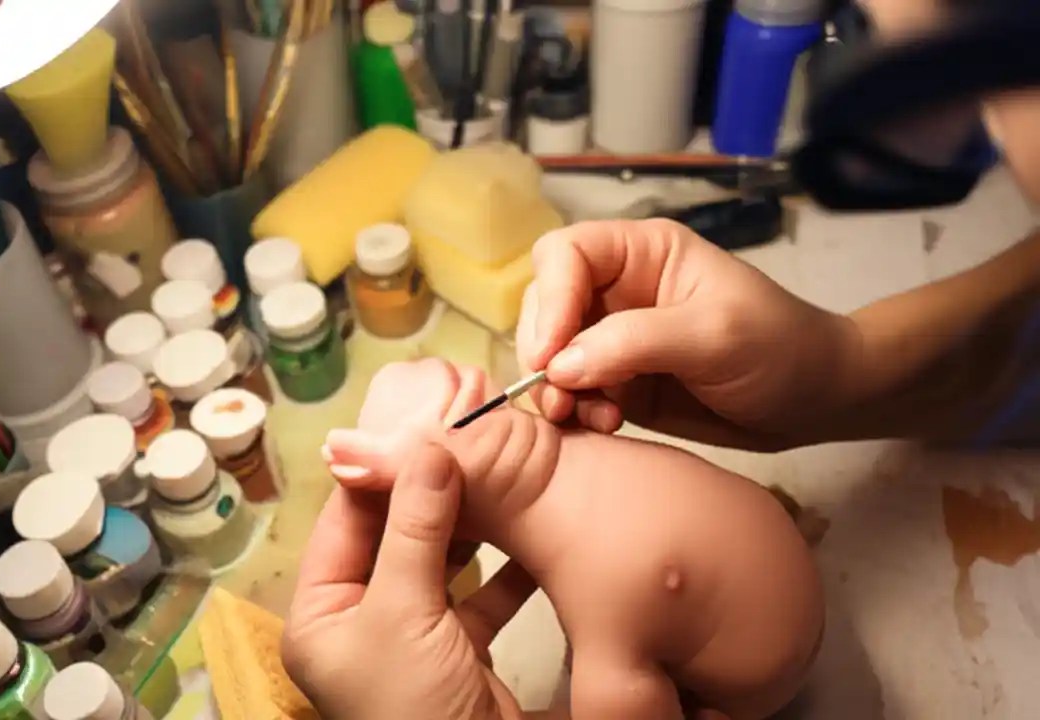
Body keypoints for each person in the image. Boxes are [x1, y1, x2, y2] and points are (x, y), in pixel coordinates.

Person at [283, 0, 1040, 716]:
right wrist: (841, 364)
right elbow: (614, 671)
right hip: (745, 649)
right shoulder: (567, 491)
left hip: (774, 623)